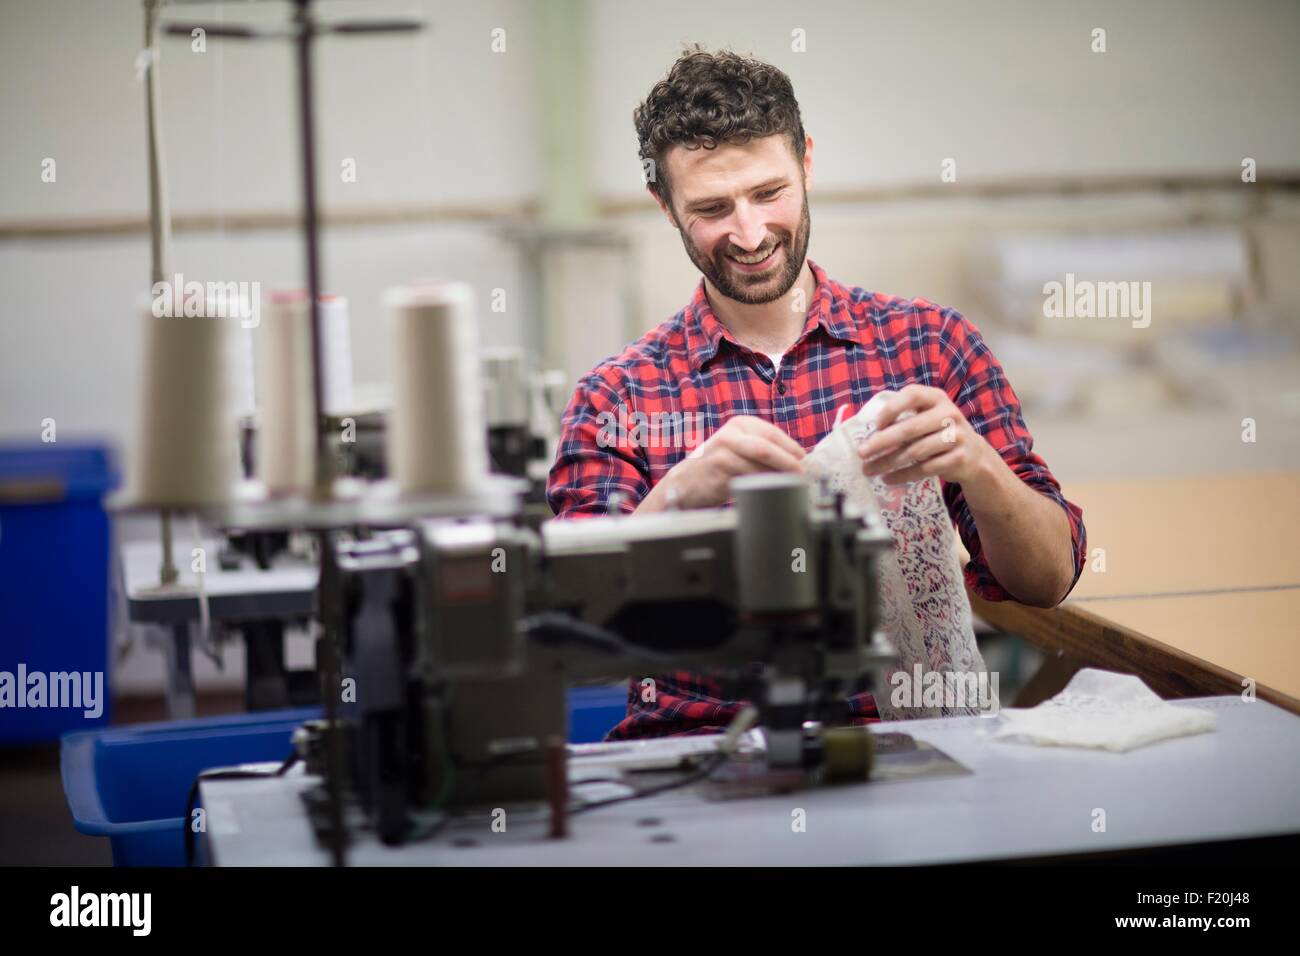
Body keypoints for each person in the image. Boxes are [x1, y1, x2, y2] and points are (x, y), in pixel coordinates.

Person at [547, 46, 1086, 739]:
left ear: (806, 162)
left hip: (904, 746)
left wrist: (976, 463)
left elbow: (1047, 580)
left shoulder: (928, 346)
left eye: (769, 193)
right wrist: (676, 496)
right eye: (712, 208)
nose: (749, 234)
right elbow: (568, 635)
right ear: (664, 205)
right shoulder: (619, 396)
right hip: (700, 762)